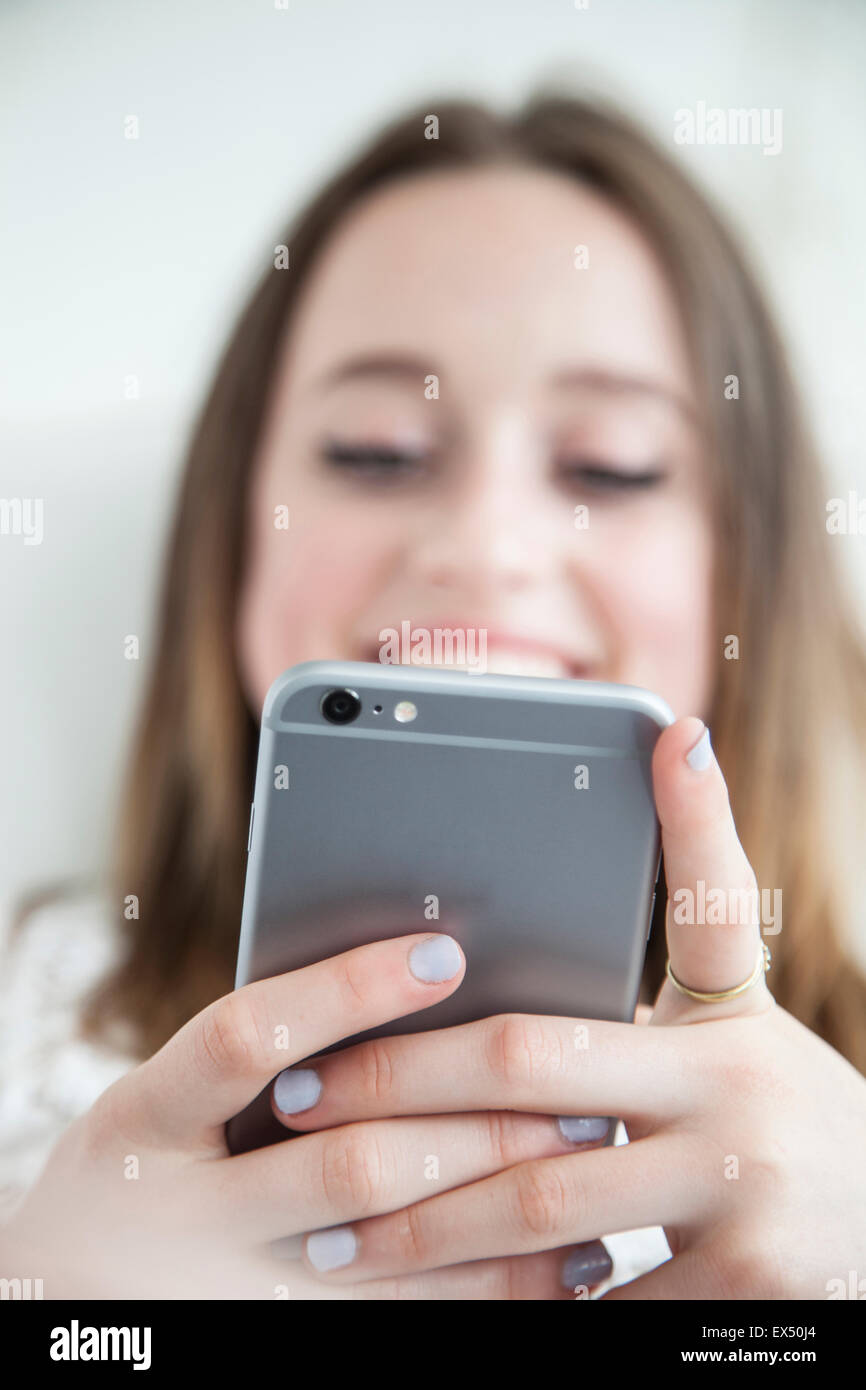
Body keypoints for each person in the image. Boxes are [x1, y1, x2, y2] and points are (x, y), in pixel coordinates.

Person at [2, 92, 866, 1300]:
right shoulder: (30, 1002)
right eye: (376, 452)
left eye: (609, 466)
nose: (483, 542)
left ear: (747, 565)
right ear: (233, 528)